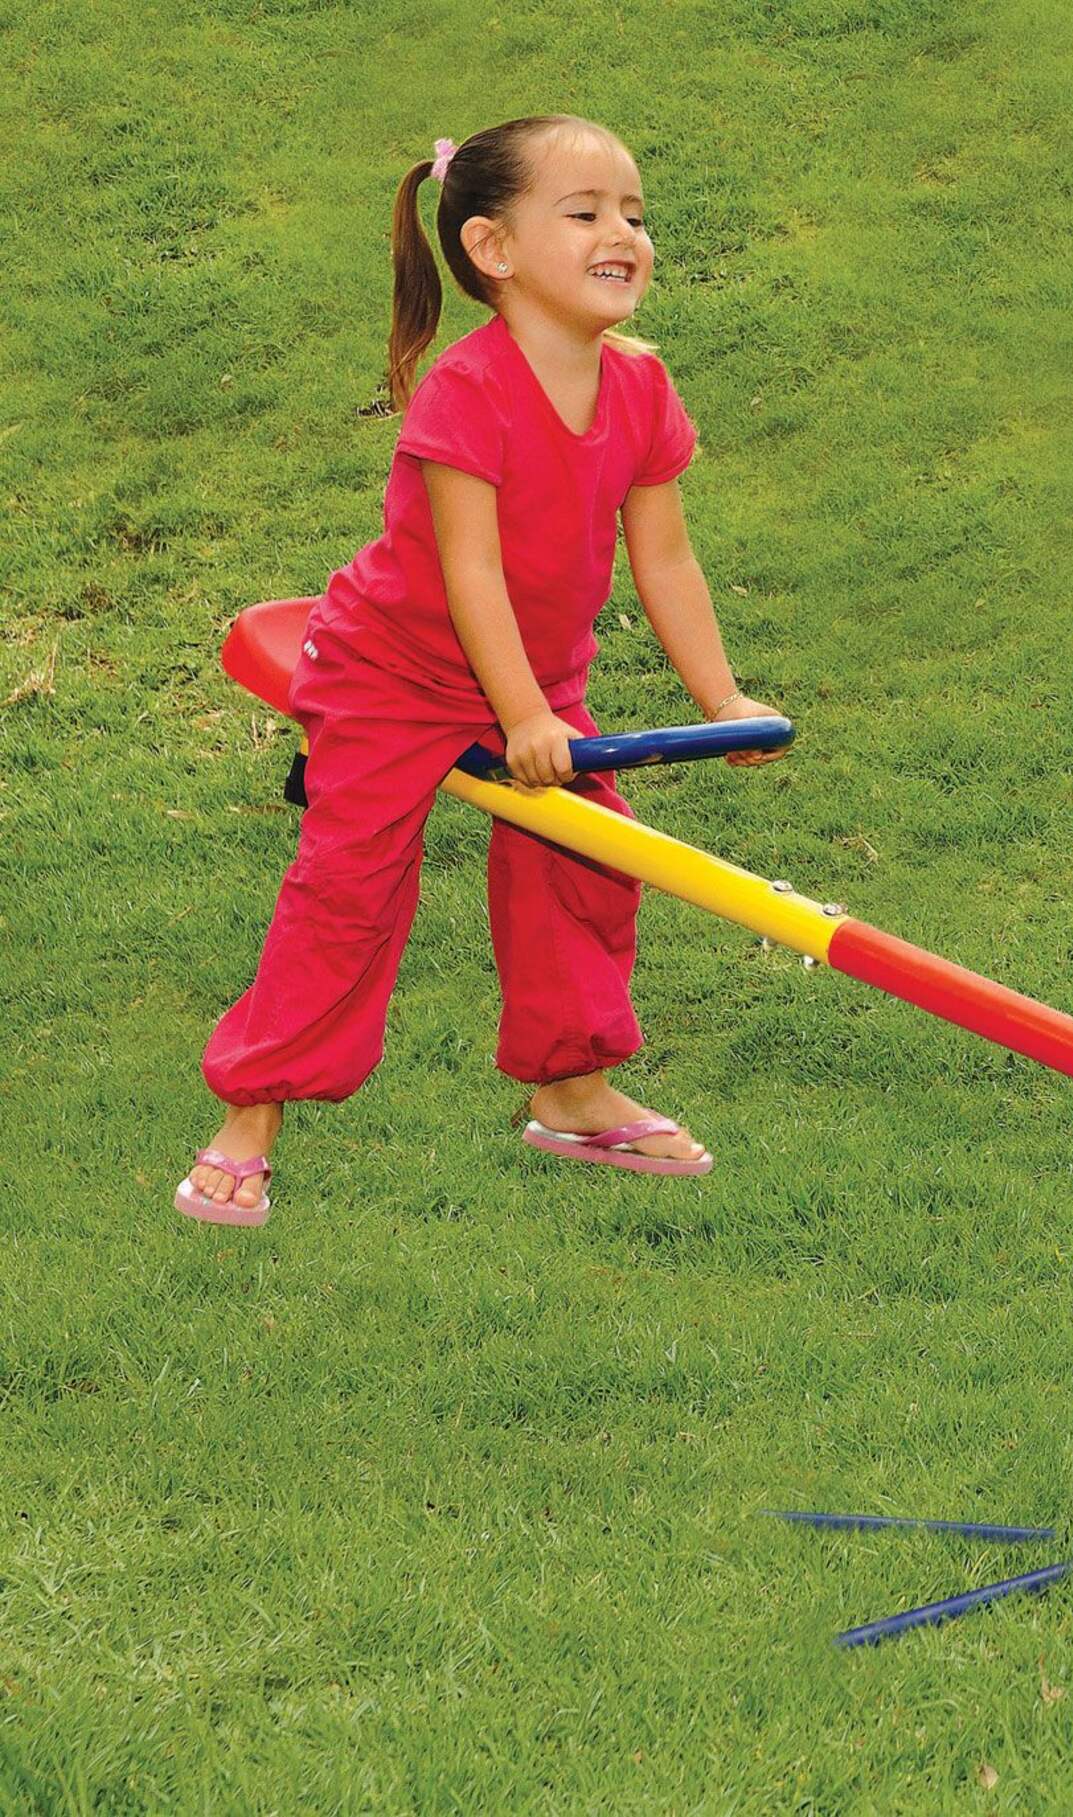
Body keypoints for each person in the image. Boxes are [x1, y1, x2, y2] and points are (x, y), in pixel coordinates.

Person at [179, 115, 785, 1226]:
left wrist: (723, 699)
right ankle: (251, 1112)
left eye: (636, 216)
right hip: (391, 672)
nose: (625, 234)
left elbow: (667, 555)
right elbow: (472, 578)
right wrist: (520, 716)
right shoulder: (469, 390)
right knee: (349, 887)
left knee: (589, 864)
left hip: (535, 679)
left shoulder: (642, 390)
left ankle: (572, 1091)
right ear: (493, 251)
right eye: (587, 213)